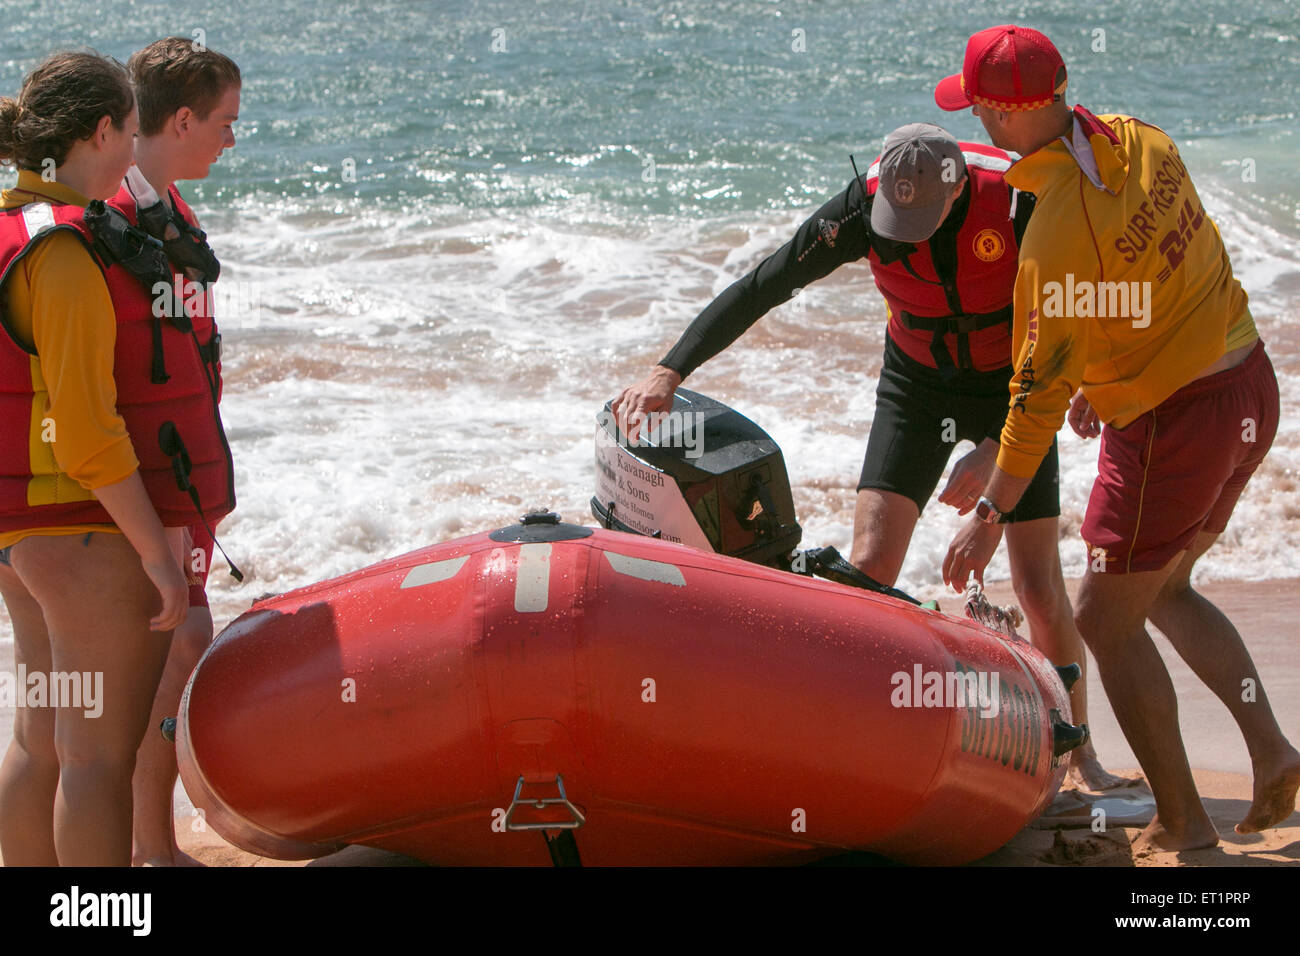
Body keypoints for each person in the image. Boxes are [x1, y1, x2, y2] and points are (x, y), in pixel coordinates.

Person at [613, 123, 1121, 789]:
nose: (900, 233)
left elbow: (1083, 301)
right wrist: (669, 369)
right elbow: (766, 284)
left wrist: (1018, 436)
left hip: (1016, 389)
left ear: (961, 187)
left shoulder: (1022, 199)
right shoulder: (863, 210)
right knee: (870, 564)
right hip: (916, 382)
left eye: (920, 220)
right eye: (894, 220)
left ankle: (1081, 759)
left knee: (1036, 586)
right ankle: (852, 743)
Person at [936, 24, 1300, 850]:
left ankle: (1185, 828)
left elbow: (1032, 400)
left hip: (1178, 428)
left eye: (983, 110)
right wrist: (1108, 371)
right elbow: (1184, 257)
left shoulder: (1053, 234)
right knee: (1163, 590)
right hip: (1250, 386)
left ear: (1000, 111)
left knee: (1104, 617)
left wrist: (988, 516)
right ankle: (1274, 752)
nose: (982, 126)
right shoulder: (1143, 139)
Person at [0, 50, 235, 866]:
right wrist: (156, 557)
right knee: (97, 761)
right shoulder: (63, 254)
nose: (134, 154)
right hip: (82, 538)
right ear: (100, 132)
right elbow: (92, 434)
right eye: (130, 134)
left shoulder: (6, 228)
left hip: (18, 538)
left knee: (43, 742)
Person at [118, 36, 240, 867]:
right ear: (183, 117)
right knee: (168, 657)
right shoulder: (117, 218)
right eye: (227, 122)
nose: (233, 138)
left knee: (181, 648)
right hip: (148, 490)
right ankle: (149, 854)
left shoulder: (165, 208)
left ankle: (145, 844)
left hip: (181, 483)